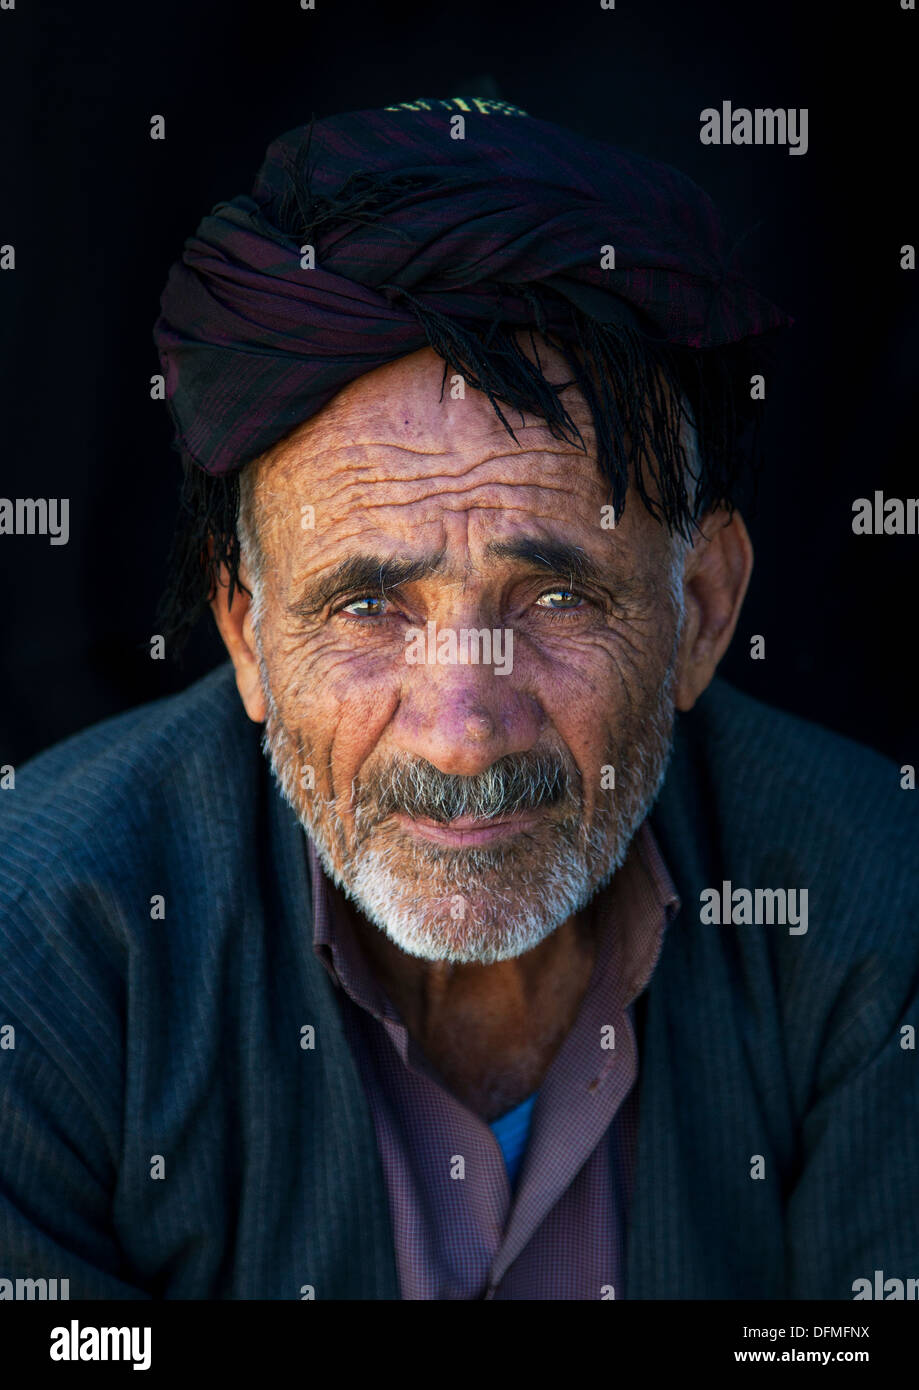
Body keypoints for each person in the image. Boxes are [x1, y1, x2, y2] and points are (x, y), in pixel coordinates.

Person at [1, 97, 916, 1301]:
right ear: (247, 632)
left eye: (552, 600)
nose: (462, 728)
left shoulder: (868, 901)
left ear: (697, 610)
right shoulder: (43, 950)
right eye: (368, 607)